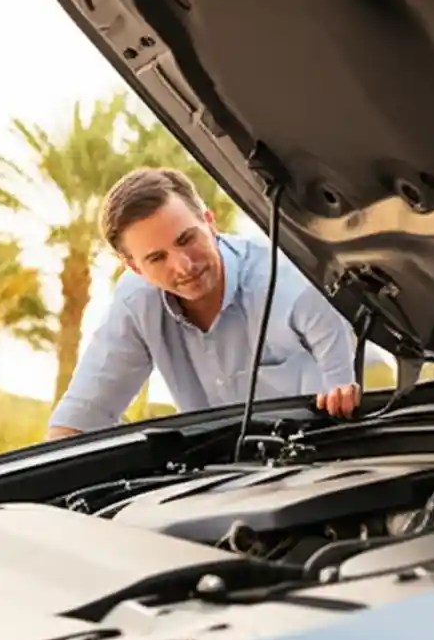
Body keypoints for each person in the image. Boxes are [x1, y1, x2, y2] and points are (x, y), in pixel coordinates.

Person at [46, 167, 361, 440]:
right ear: (134, 267)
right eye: (157, 258)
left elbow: (350, 398)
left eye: (187, 239)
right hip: (218, 483)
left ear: (210, 222)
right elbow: (80, 419)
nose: (183, 266)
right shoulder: (136, 302)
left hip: (318, 467)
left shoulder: (290, 278)